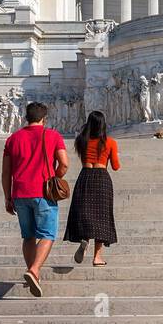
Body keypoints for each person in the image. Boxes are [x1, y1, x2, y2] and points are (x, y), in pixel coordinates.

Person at [2, 101, 69, 298]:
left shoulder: (13, 139)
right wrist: (55, 178)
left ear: (26, 117)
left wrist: (8, 196)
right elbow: (64, 164)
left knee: (28, 236)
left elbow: (6, 172)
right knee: (47, 234)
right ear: (44, 118)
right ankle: (34, 270)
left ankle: (34, 274)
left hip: (20, 193)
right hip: (43, 192)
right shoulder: (53, 135)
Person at [65, 110, 119, 268]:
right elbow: (115, 166)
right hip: (102, 179)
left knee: (85, 212)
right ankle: (97, 257)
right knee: (102, 218)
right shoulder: (110, 142)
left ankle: (84, 240)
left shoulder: (81, 141)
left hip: (86, 177)